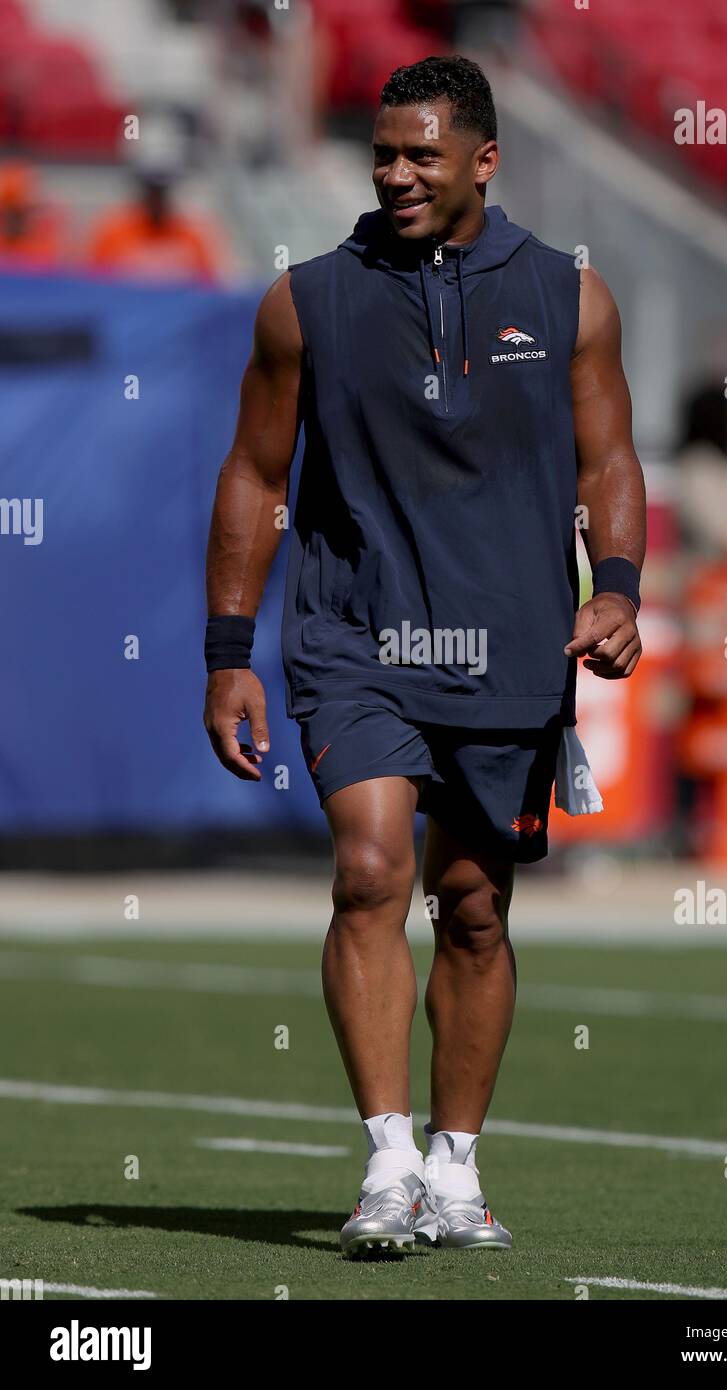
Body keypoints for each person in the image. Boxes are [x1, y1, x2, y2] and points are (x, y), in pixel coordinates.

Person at [203, 55, 645, 1255]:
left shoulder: (569, 298)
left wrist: (615, 589)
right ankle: (387, 1159)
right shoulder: (306, 301)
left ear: (483, 162)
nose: (395, 172)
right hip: (355, 638)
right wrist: (227, 651)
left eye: (421, 156)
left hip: (508, 643)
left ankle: (456, 1169)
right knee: (367, 869)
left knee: (472, 913)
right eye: (382, 154)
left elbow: (607, 460)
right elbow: (253, 473)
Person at [86, 171, 222, 283]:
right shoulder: (113, 233)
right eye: (152, 193)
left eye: (161, 193)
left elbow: (208, 286)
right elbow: (96, 284)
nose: (156, 201)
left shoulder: (192, 237)